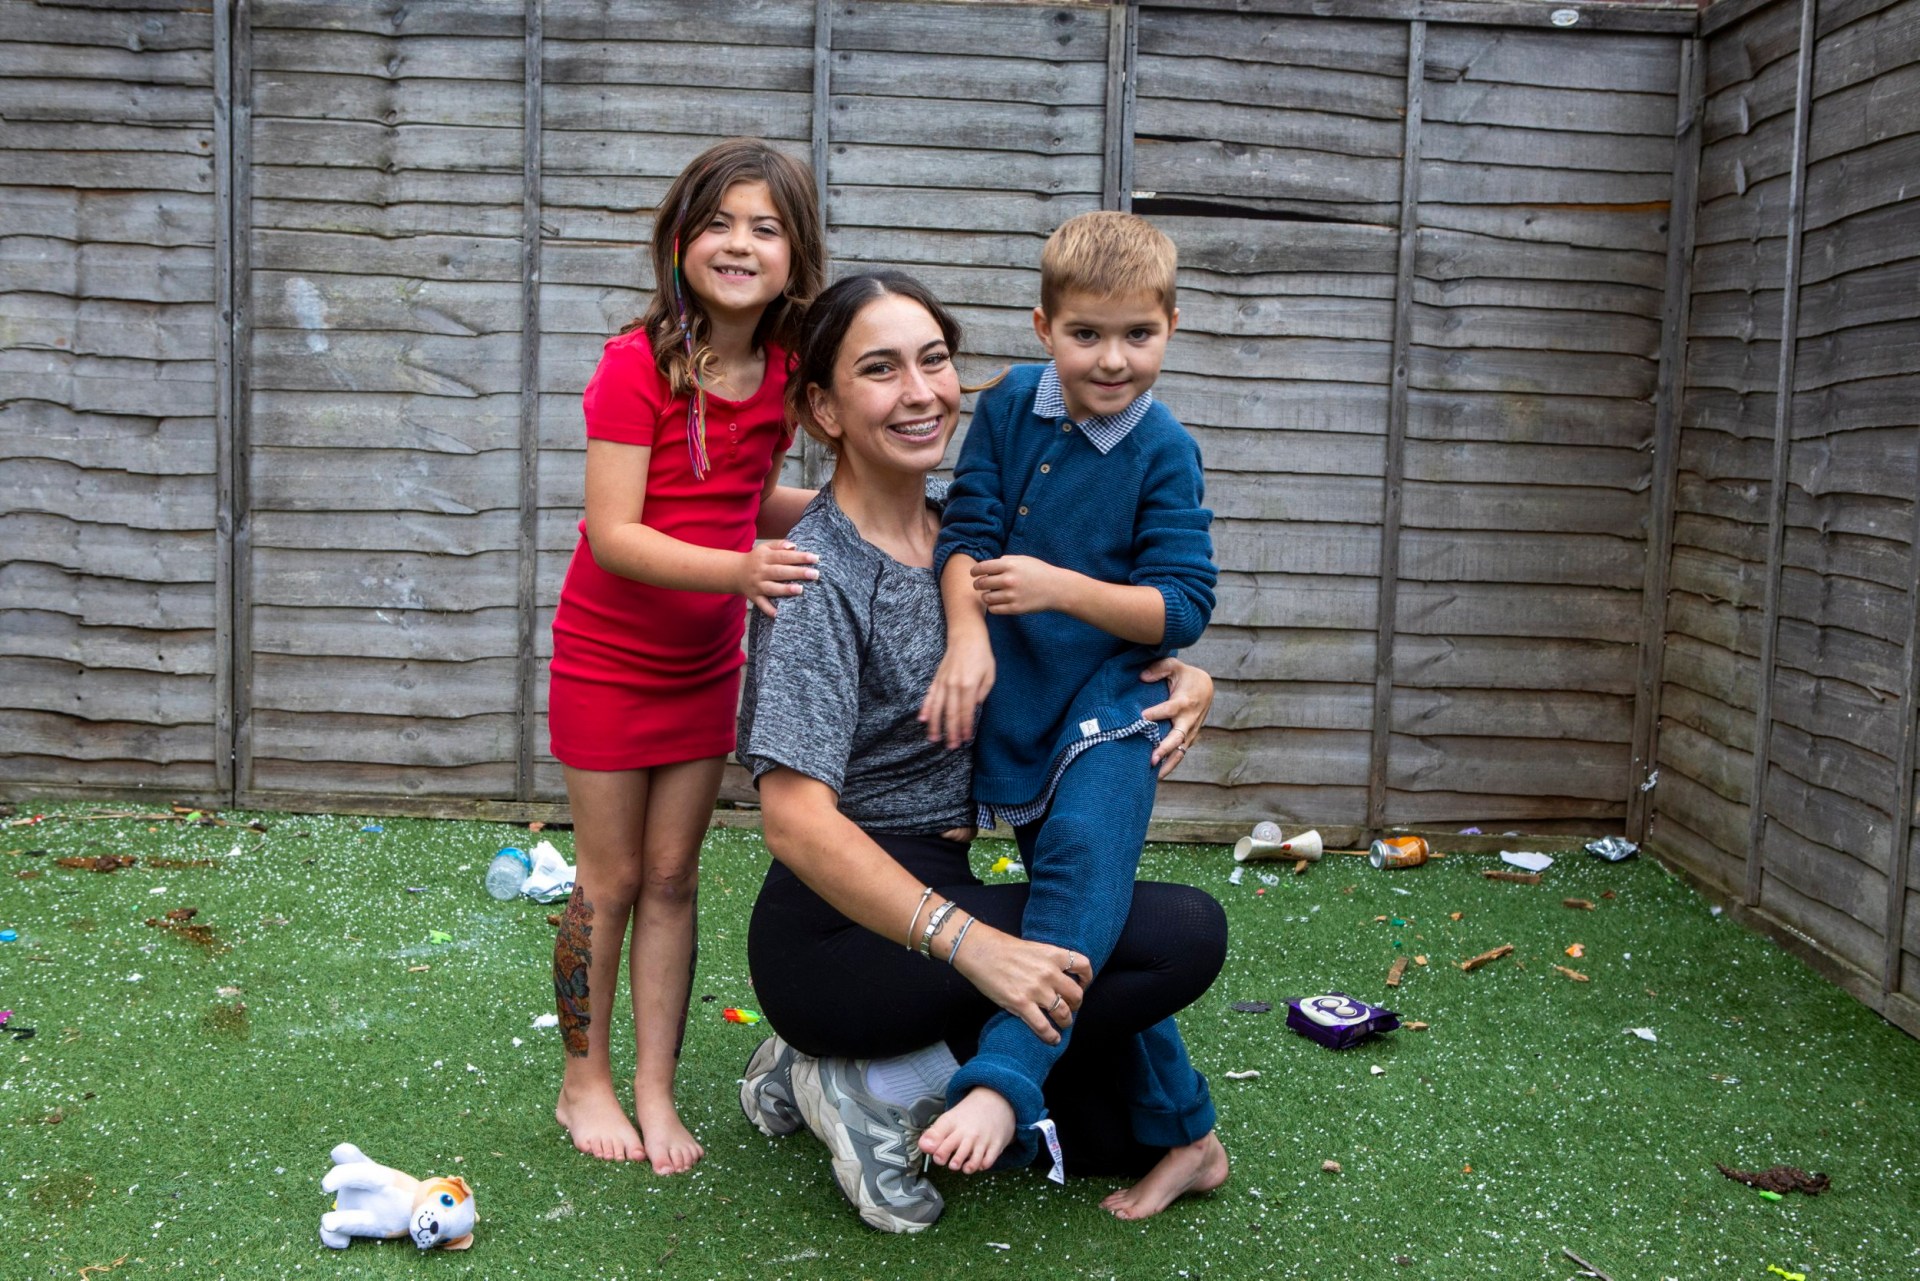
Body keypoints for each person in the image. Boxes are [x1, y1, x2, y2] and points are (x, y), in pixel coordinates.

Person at [735, 272, 1229, 1233]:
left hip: (948, 891)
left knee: (1104, 1133)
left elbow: (1097, 622)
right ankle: (866, 1077)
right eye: (880, 370)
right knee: (1178, 936)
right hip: (836, 936)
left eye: (934, 359)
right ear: (824, 409)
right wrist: (982, 949)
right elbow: (793, 823)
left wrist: (1175, 674)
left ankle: (863, 1074)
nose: (921, 391)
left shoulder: (979, 534)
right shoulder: (816, 574)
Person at [915, 211, 1222, 1209]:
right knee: (1097, 923)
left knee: (1080, 885)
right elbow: (962, 532)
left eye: (1140, 334)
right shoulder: (1008, 407)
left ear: (1171, 326)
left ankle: (1003, 1080)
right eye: (1088, 333)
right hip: (1019, 714)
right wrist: (969, 635)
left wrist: (1059, 587)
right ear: (1043, 327)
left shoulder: (1164, 450)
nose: (1114, 358)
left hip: (1112, 712)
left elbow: (1181, 604)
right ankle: (1191, 1135)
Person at [546, 137, 826, 1172]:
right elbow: (617, 532)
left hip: (705, 666)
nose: (741, 243)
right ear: (677, 241)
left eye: (766, 227)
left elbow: (743, 504)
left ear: (796, 256)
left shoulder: (788, 372)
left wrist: (848, 519)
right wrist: (743, 573)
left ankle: (658, 1092)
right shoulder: (635, 366)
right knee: (610, 880)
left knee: (673, 879)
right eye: (719, 223)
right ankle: (586, 1082)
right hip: (607, 662)